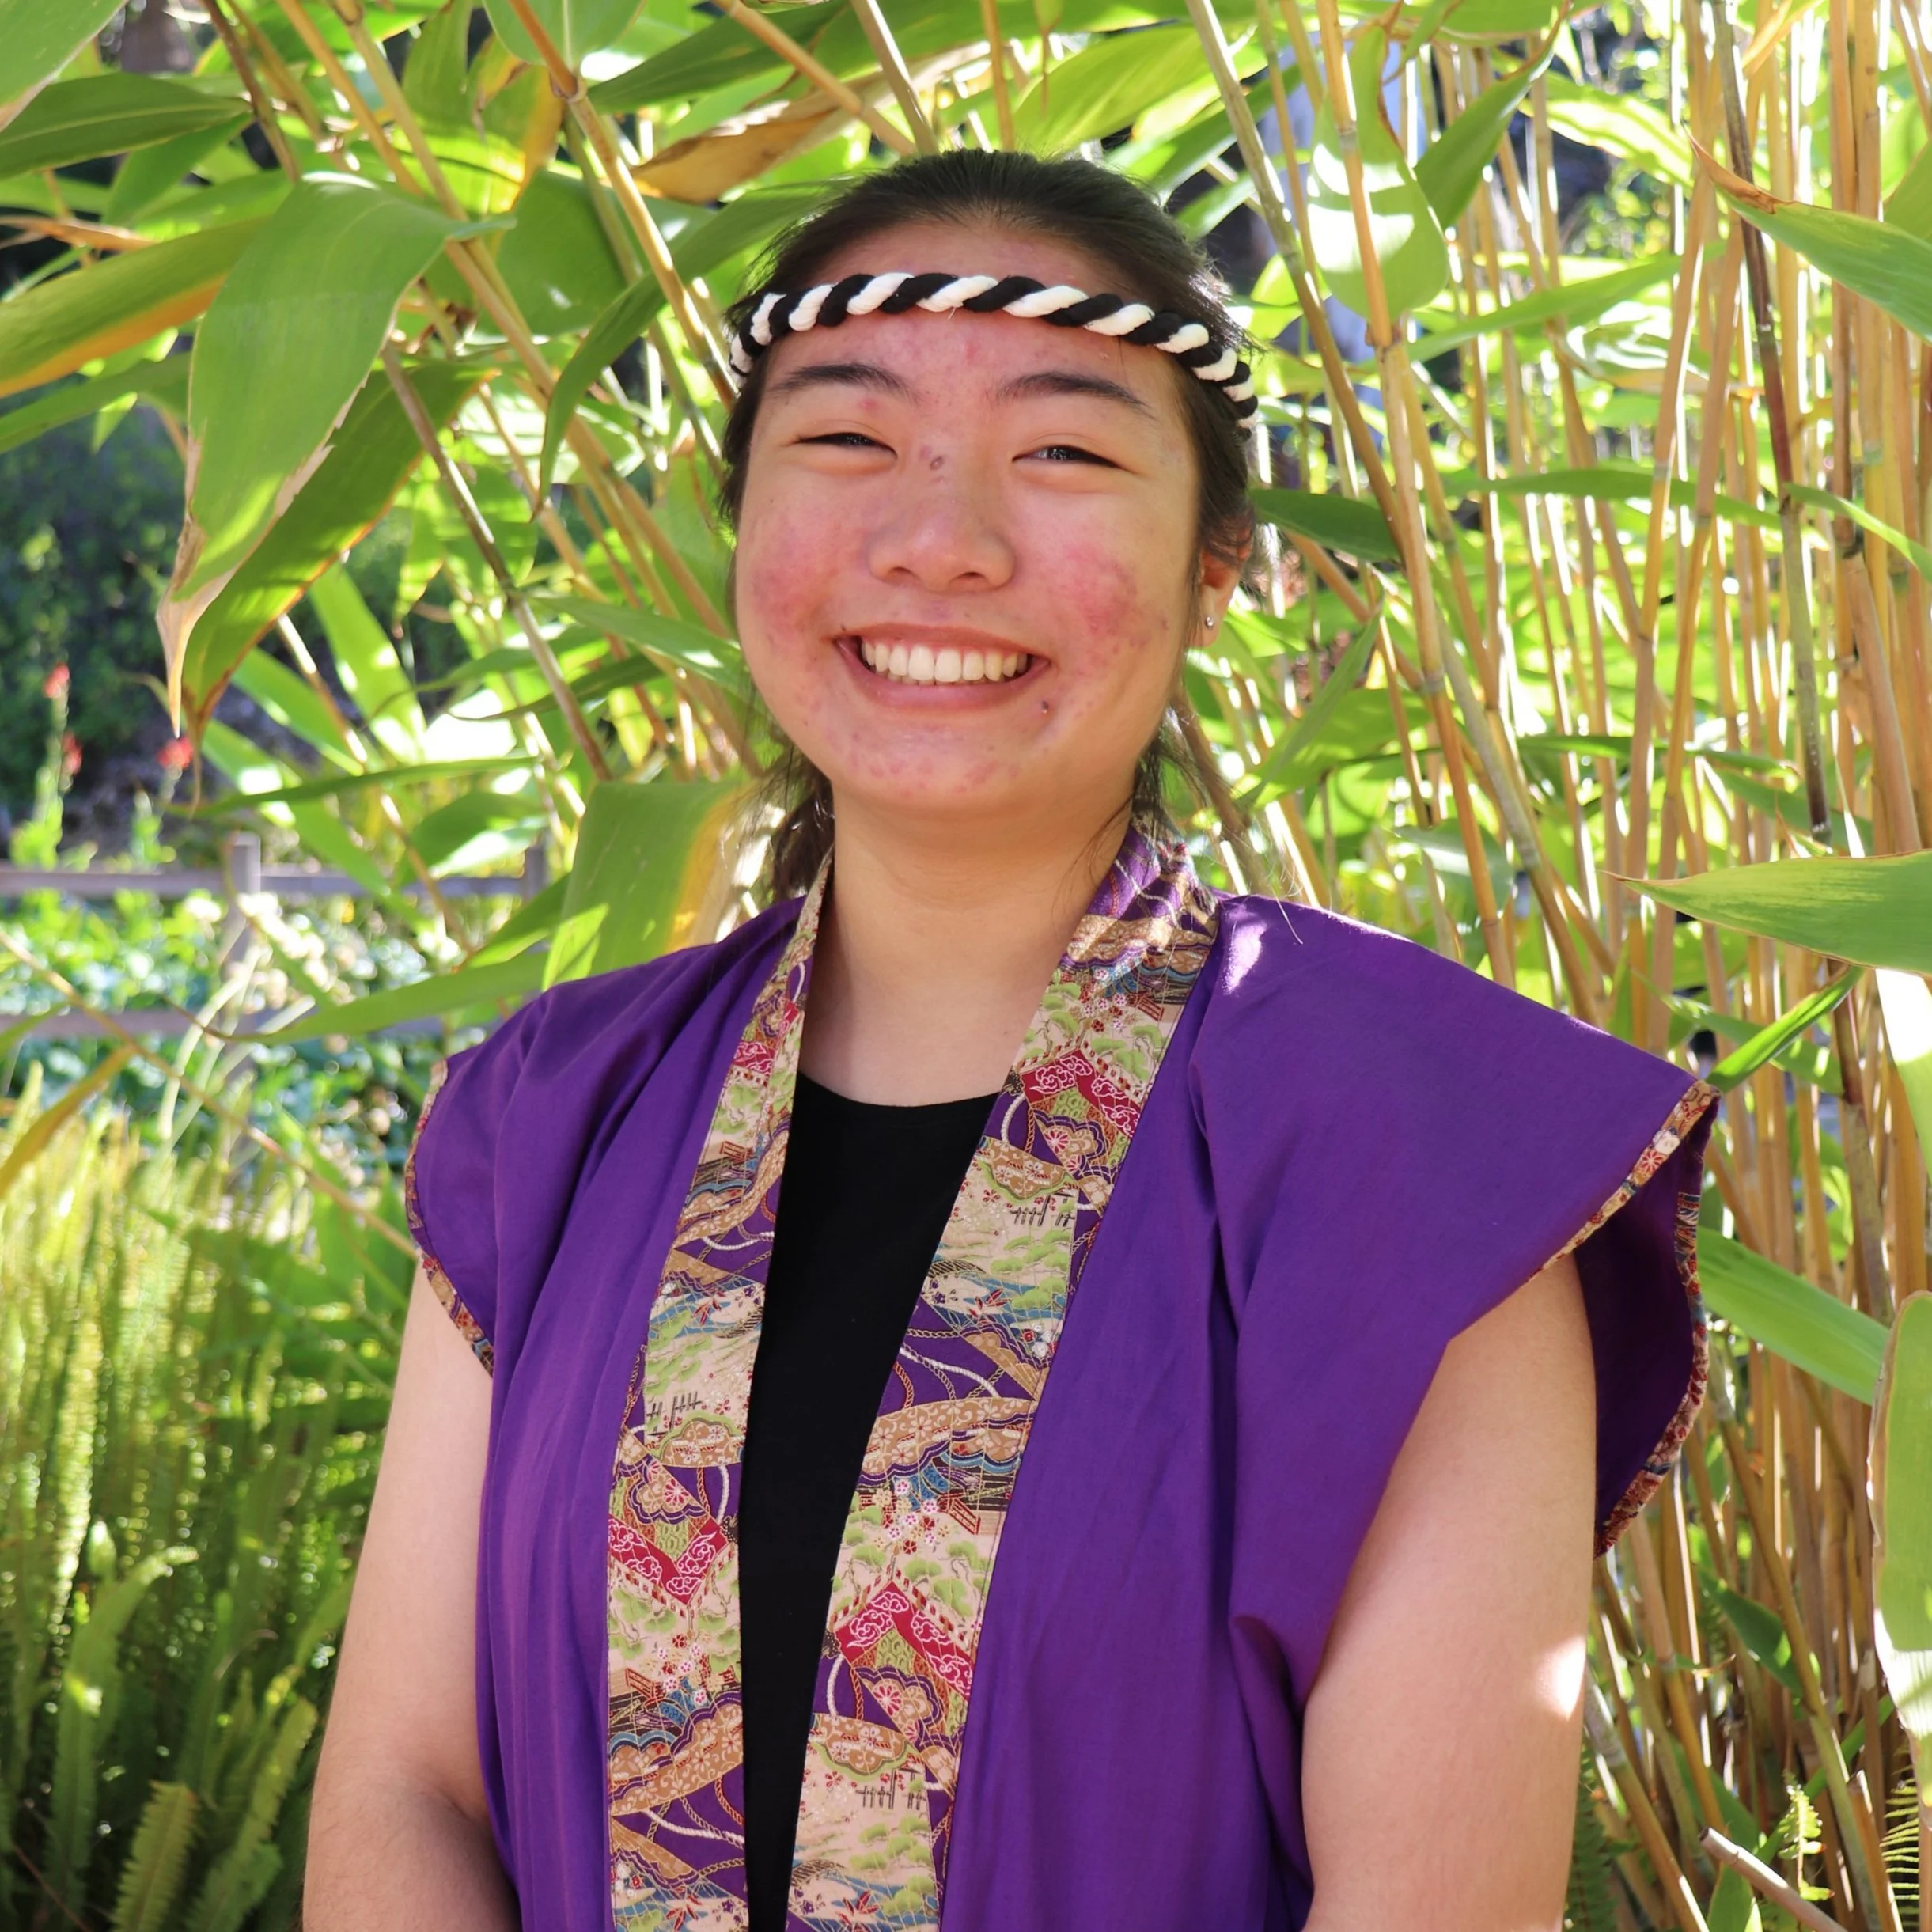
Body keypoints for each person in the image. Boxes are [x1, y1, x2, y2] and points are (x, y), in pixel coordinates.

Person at [306, 150, 1715, 1932]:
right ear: (735, 522)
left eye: (1063, 451)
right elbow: (404, 1792)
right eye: (846, 440)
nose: (942, 541)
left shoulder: (1415, 1153)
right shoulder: (547, 1119)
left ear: (1218, 572)